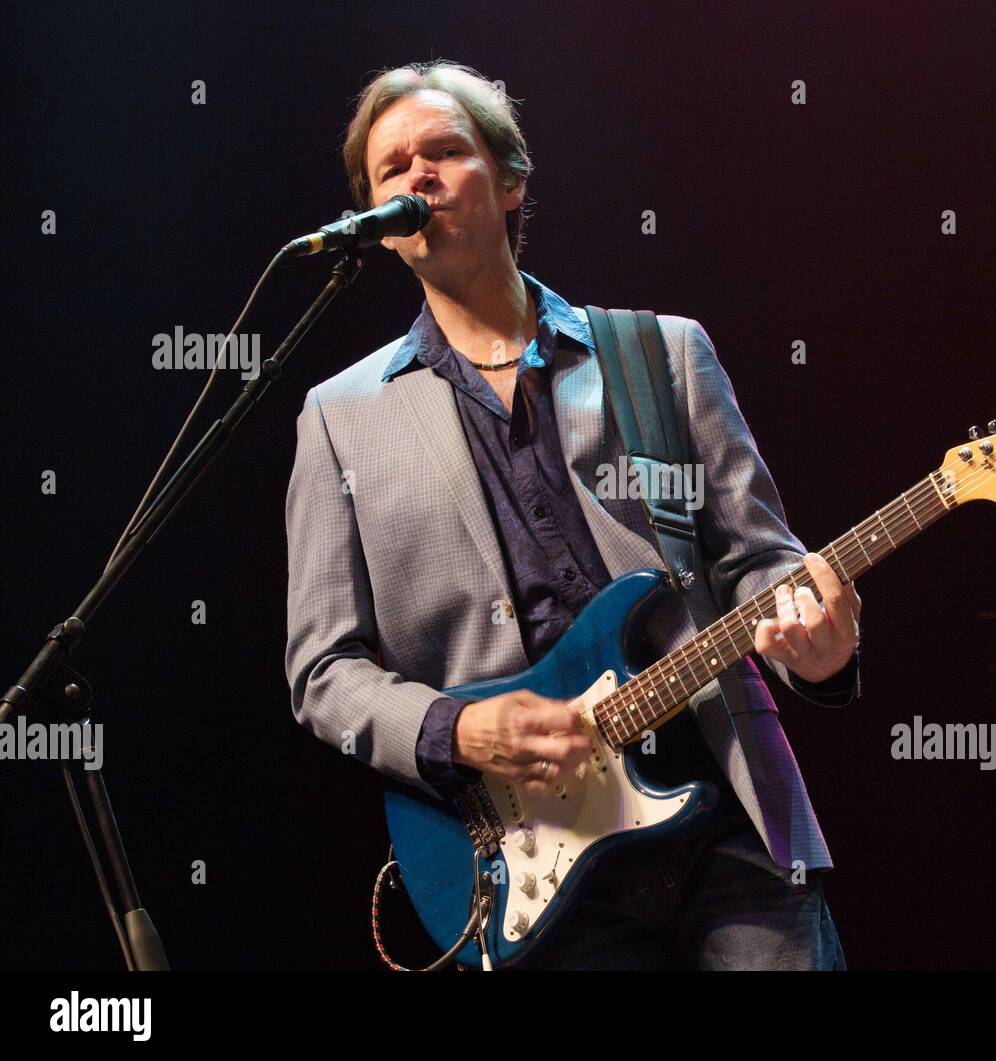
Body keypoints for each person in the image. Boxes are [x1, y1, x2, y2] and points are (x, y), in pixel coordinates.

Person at [285, 61, 862, 970]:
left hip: (726, 812)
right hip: (530, 861)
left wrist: (816, 639)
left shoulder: (661, 353)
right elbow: (323, 669)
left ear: (511, 180)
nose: (417, 177)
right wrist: (459, 730)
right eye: (392, 169)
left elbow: (761, 561)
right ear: (379, 223)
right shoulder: (339, 417)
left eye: (444, 151)